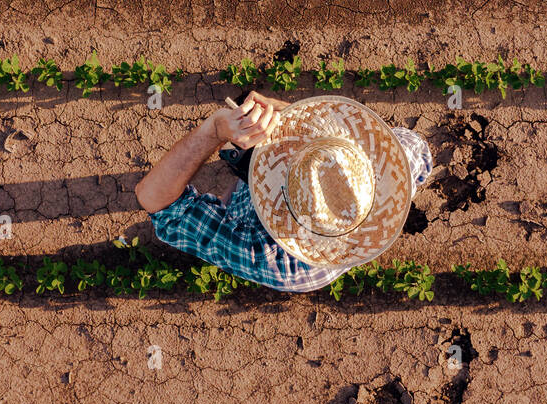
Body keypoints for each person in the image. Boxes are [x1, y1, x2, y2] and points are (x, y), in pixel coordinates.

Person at [135, 90, 432, 293]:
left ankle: (233, 181)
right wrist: (282, 113)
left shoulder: (272, 257)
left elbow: (158, 203)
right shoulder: (379, 162)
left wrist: (214, 131)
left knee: (222, 201)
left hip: (244, 217)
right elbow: (420, 150)